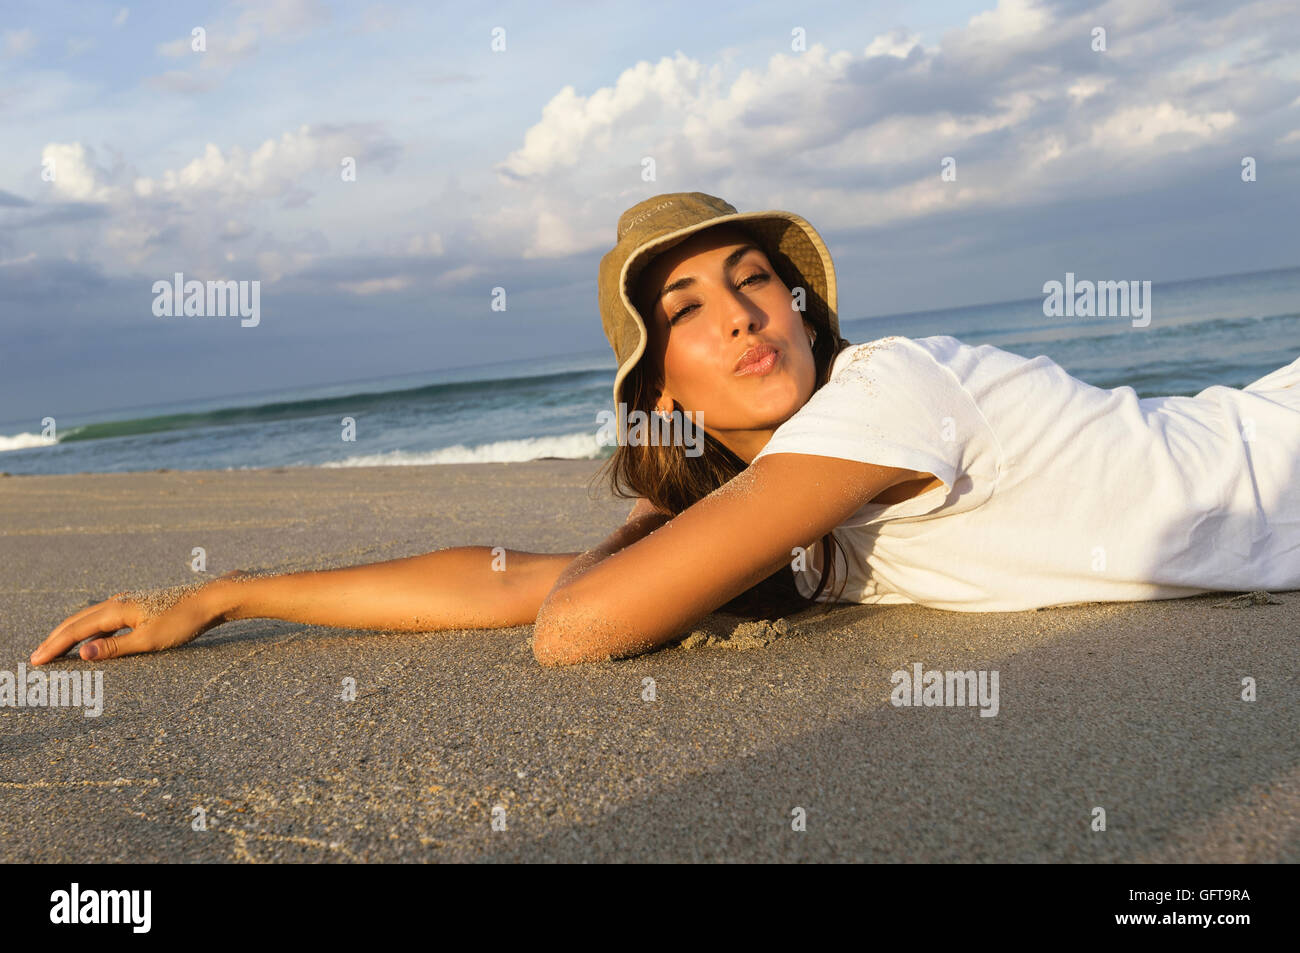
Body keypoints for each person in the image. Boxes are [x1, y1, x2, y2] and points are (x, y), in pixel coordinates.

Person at [30, 192, 1300, 670]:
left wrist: (647, 542)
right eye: (688, 307)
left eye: (754, 278)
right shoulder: (794, 500)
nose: (743, 314)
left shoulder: (896, 391)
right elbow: (508, 584)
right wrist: (224, 596)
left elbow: (580, 624)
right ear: (663, 382)